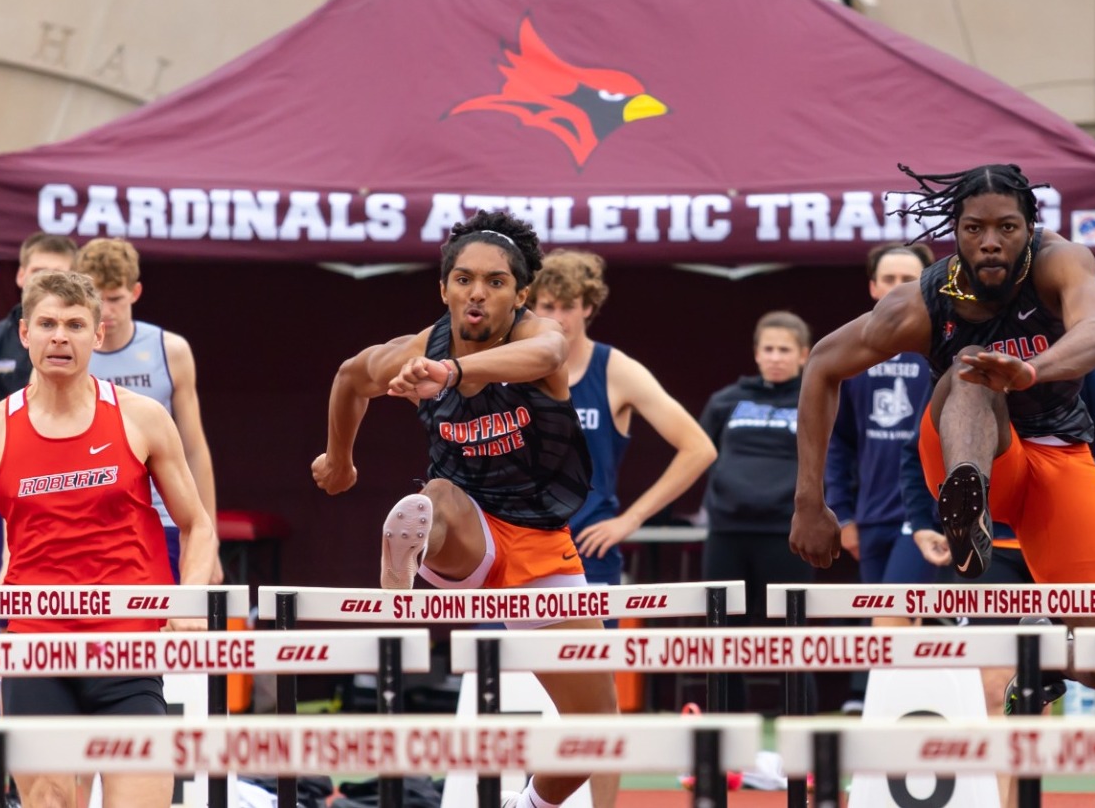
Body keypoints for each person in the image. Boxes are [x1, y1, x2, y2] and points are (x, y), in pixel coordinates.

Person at [788, 162, 1095, 704]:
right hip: (969, 453)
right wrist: (808, 501)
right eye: (974, 229)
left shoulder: (1060, 263)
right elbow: (821, 365)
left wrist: (1031, 370)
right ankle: (967, 505)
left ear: (1030, 227)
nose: (990, 243)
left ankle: (1043, 649)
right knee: (972, 366)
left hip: (1057, 460)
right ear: (955, 232)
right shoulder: (920, 303)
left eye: (1007, 227)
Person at [311, 209, 613, 808]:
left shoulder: (536, 335)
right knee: (438, 495)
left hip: (539, 542)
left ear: (520, 294)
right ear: (444, 288)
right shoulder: (418, 348)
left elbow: (549, 355)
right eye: (465, 279)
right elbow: (350, 377)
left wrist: (449, 373)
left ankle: (529, 805)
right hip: (465, 534)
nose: (478, 293)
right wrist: (339, 459)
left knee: (600, 733)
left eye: (495, 282)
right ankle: (410, 553)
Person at [0, 270, 217, 808]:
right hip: (36, 649)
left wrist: (190, 597)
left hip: (126, 650)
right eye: (48, 324)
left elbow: (198, 525)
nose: (61, 336)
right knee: (51, 801)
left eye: (76, 325)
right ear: (25, 333)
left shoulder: (142, 417)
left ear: (98, 335)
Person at [914, 363, 1095, 808]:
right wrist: (922, 522)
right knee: (994, 687)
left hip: (1059, 538)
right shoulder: (962, 357)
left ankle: (1022, 795)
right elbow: (919, 449)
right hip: (993, 549)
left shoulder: (1073, 360)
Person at [530, 249, 716, 808]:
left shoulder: (616, 371)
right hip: (519, 555)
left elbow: (698, 447)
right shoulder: (514, 363)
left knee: (599, 700)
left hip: (588, 556)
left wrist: (631, 519)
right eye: (544, 306)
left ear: (588, 307)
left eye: (566, 306)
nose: (555, 317)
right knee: (510, 685)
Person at [76, 237, 223, 585]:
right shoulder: (68, 351)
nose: (106, 311)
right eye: (97, 299)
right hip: (90, 519)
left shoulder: (169, 350)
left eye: (115, 298)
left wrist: (210, 540)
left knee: (168, 616)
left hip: (162, 516)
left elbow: (194, 449)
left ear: (135, 292)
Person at [698, 310, 813, 712]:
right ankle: (726, 734)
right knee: (721, 637)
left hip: (788, 534)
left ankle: (802, 736)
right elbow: (700, 453)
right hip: (728, 532)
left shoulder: (815, 399)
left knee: (793, 639)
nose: (776, 357)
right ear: (756, 353)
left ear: (804, 354)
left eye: (785, 350)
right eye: (769, 349)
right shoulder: (725, 400)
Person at [826, 243, 937, 591]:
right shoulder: (852, 352)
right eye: (889, 279)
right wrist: (843, 515)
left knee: (892, 616)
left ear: (927, 285)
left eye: (908, 279)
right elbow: (837, 442)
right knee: (885, 617)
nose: (897, 287)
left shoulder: (944, 348)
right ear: (873, 287)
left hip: (928, 516)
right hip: (870, 516)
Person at [0, 233, 76, 580]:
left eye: (58, 275)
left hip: (79, 485)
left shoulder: (84, 342)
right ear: (20, 275)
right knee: (9, 591)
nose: (47, 283)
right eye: (38, 272)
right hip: (10, 494)